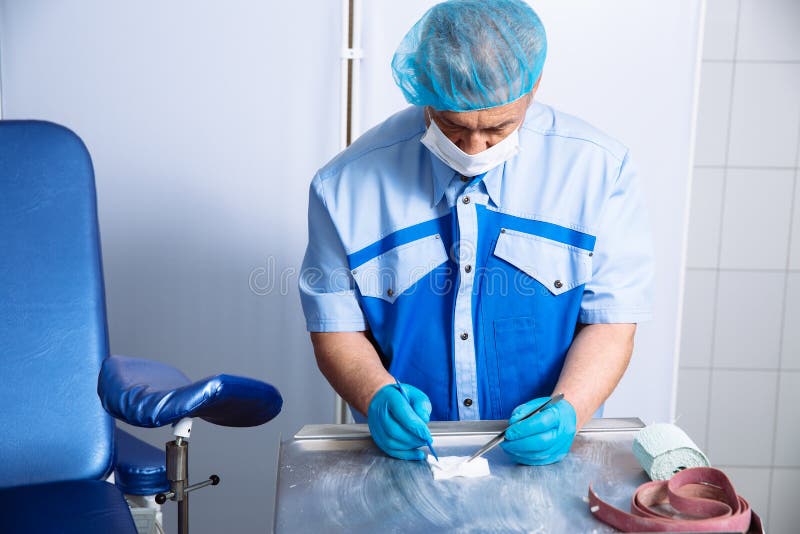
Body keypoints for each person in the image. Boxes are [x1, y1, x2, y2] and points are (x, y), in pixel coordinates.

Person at [299, 0, 653, 465]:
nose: (474, 146)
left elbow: (610, 323)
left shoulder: (599, 173)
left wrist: (570, 408)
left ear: (534, 85)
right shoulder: (343, 188)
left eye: (499, 127)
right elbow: (336, 330)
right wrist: (375, 394)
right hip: (407, 462)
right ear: (423, 92)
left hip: (549, 461)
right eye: (453, 125)